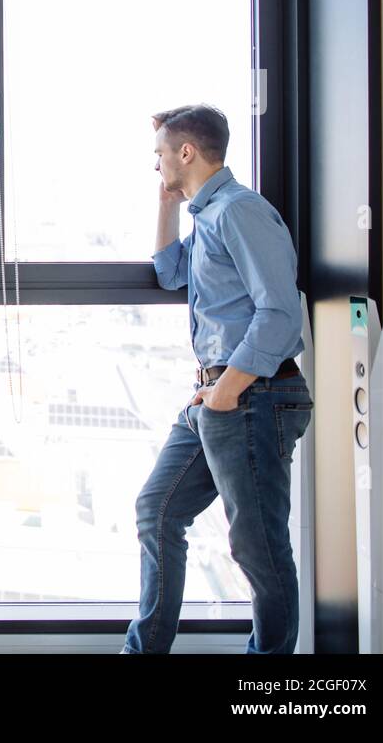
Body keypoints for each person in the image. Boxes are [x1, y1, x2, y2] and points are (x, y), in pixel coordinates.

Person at [123, 104, 313, 654]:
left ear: (187, 153)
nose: (154, 164)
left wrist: (228, 390)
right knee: (157, 509)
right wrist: (166, 204)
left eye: (160, 154)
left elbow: (279, 311)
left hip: (253, 393)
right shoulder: (206, 216)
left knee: (258, 547)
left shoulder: (238, 211)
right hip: (219, 395)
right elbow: (168, 273)